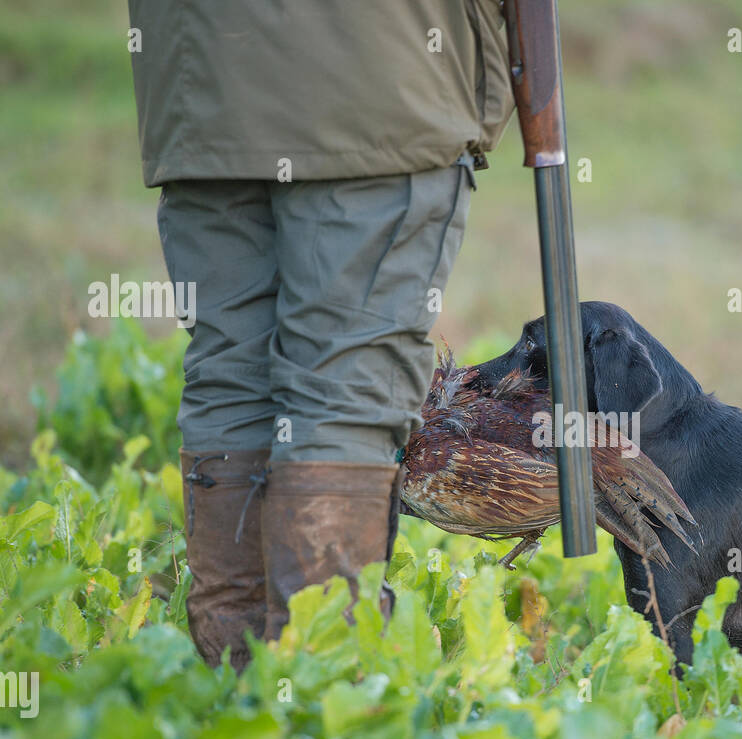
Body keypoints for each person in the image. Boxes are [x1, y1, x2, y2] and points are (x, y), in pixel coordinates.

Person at [126, 2, 514, 668]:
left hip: (203, 77)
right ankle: (319, 700)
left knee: (229, 370)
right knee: (346, 388)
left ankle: (237, 689)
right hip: (378, 77)